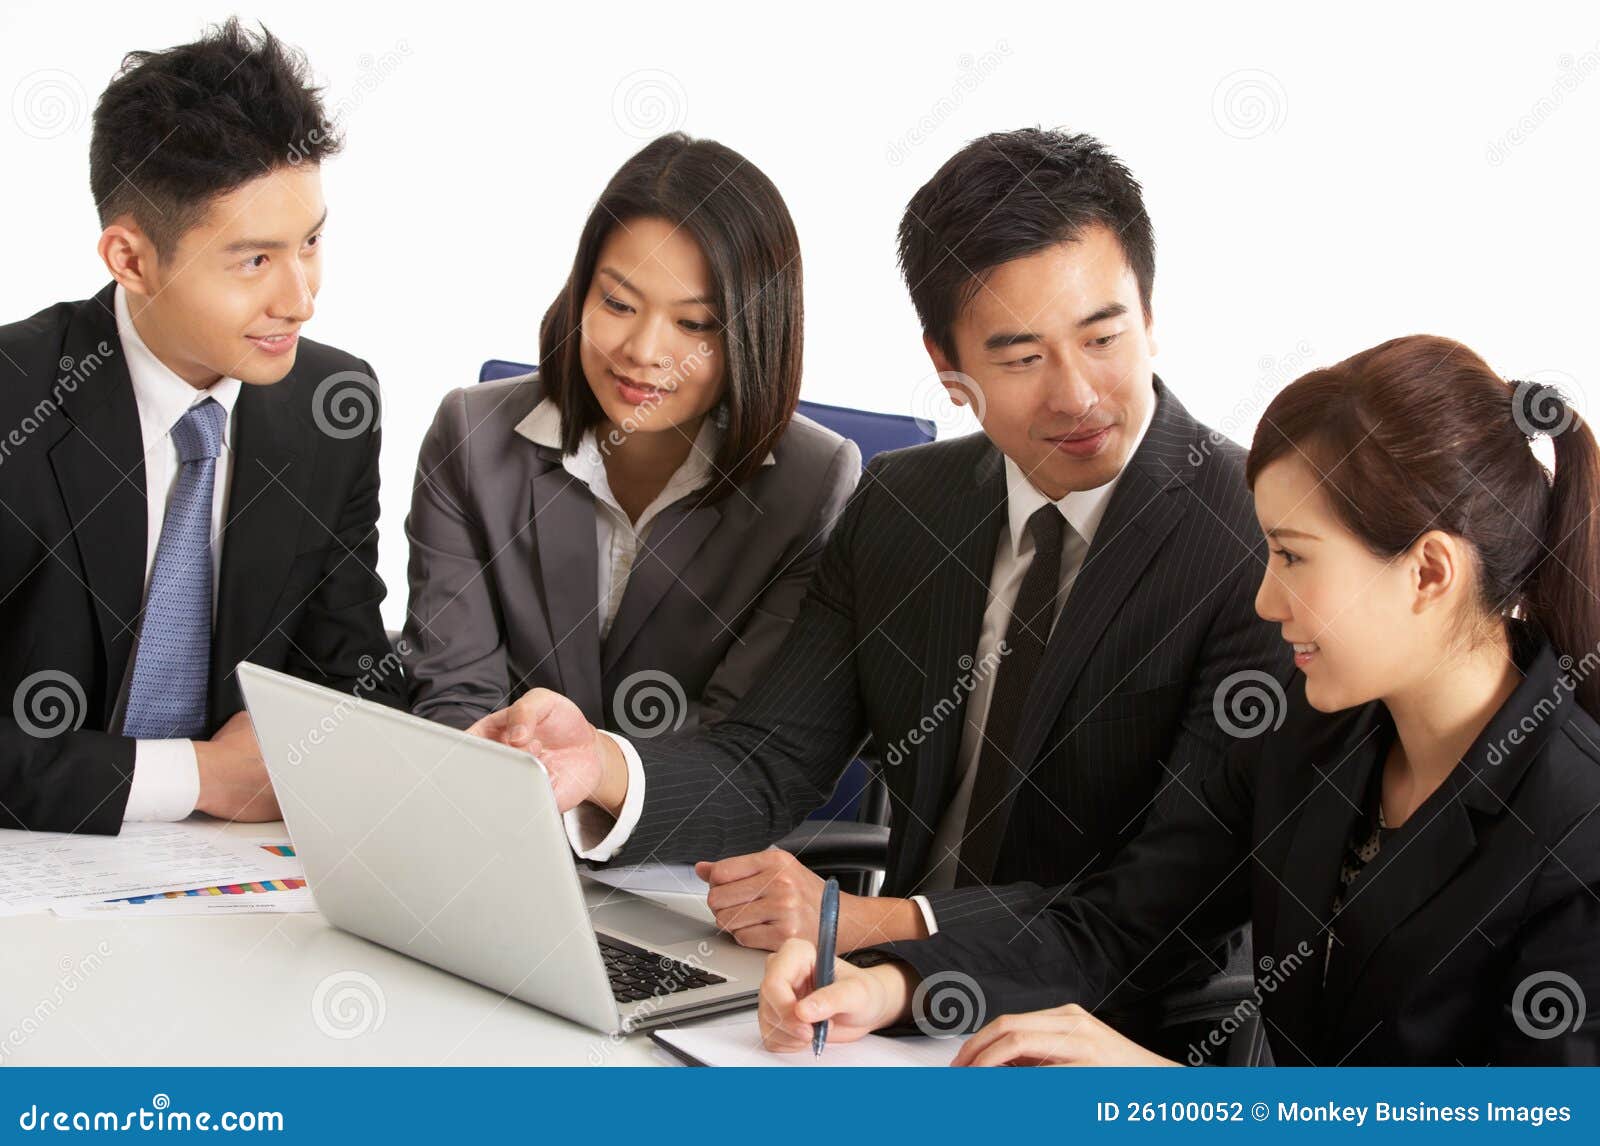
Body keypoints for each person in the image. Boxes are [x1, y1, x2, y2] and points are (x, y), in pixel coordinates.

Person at [469, 127, 1287, 1004]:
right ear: (949, 369)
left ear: (1150, 317)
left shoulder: (1257, 533)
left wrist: (873, 927)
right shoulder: (906, 505)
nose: (1077, 395)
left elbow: (1160, 910)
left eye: (1103, 337)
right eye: (1018, 358)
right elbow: (768, 762)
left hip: (1101, 1037)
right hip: (867, 1010)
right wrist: (597, 763)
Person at [762, 335, 1600, 1066]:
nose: (1266, 601)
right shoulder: (1313, 732)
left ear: (1429, 572)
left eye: (1294, 558)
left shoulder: (1579, 835)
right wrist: (895, 986)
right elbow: (1123, 921)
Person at [401, 134, 859, 863]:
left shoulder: (813, 484)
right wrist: (488, 776)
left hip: (690, 871)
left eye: (694, 324)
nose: (645, 350)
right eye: (618, 302)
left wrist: (596, 776)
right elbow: (455, 693)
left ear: (753, 332)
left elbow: (742, 746)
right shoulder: (472, 437)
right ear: (580, 291)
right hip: (492, 849)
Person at [0, 19, 402, 835]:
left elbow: (354, 679)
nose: (300, 298)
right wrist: (198, 776)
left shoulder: (333, 405)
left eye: (312, 243)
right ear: (131, 258)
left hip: (233, 888)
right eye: (254, 259)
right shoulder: (16, 398)